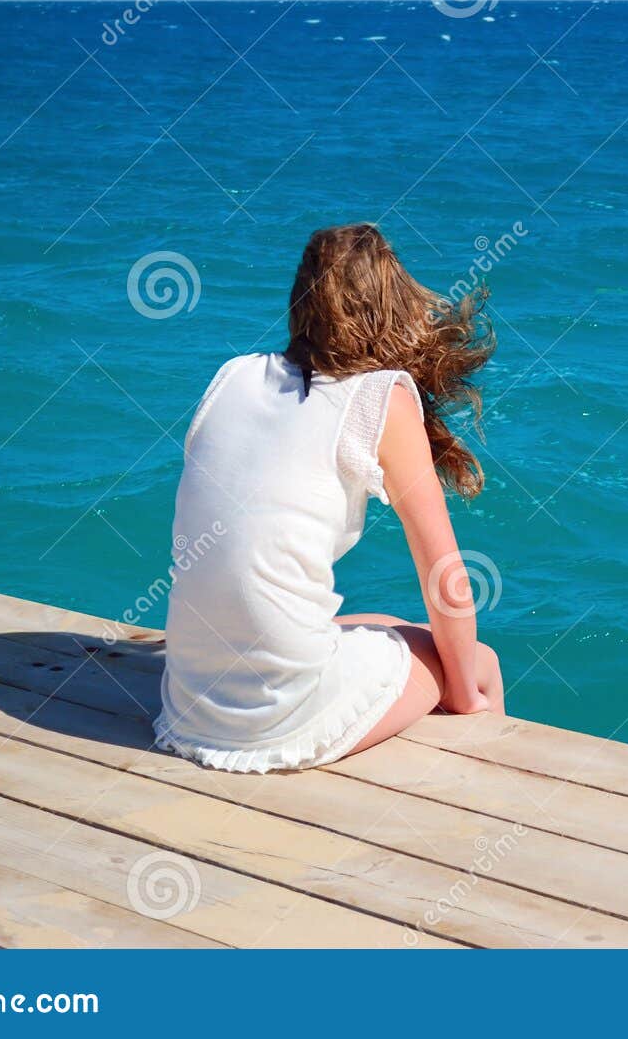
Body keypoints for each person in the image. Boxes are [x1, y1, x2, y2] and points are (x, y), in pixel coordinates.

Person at [153, 223, 503, 774]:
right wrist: (463, 695)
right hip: (276, 717)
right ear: (389, 303)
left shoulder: (233, 376)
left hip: (191, 700)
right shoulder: (381, 395)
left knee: (387, 623)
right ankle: (482, 796)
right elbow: (445, 578)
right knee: (479, 663)